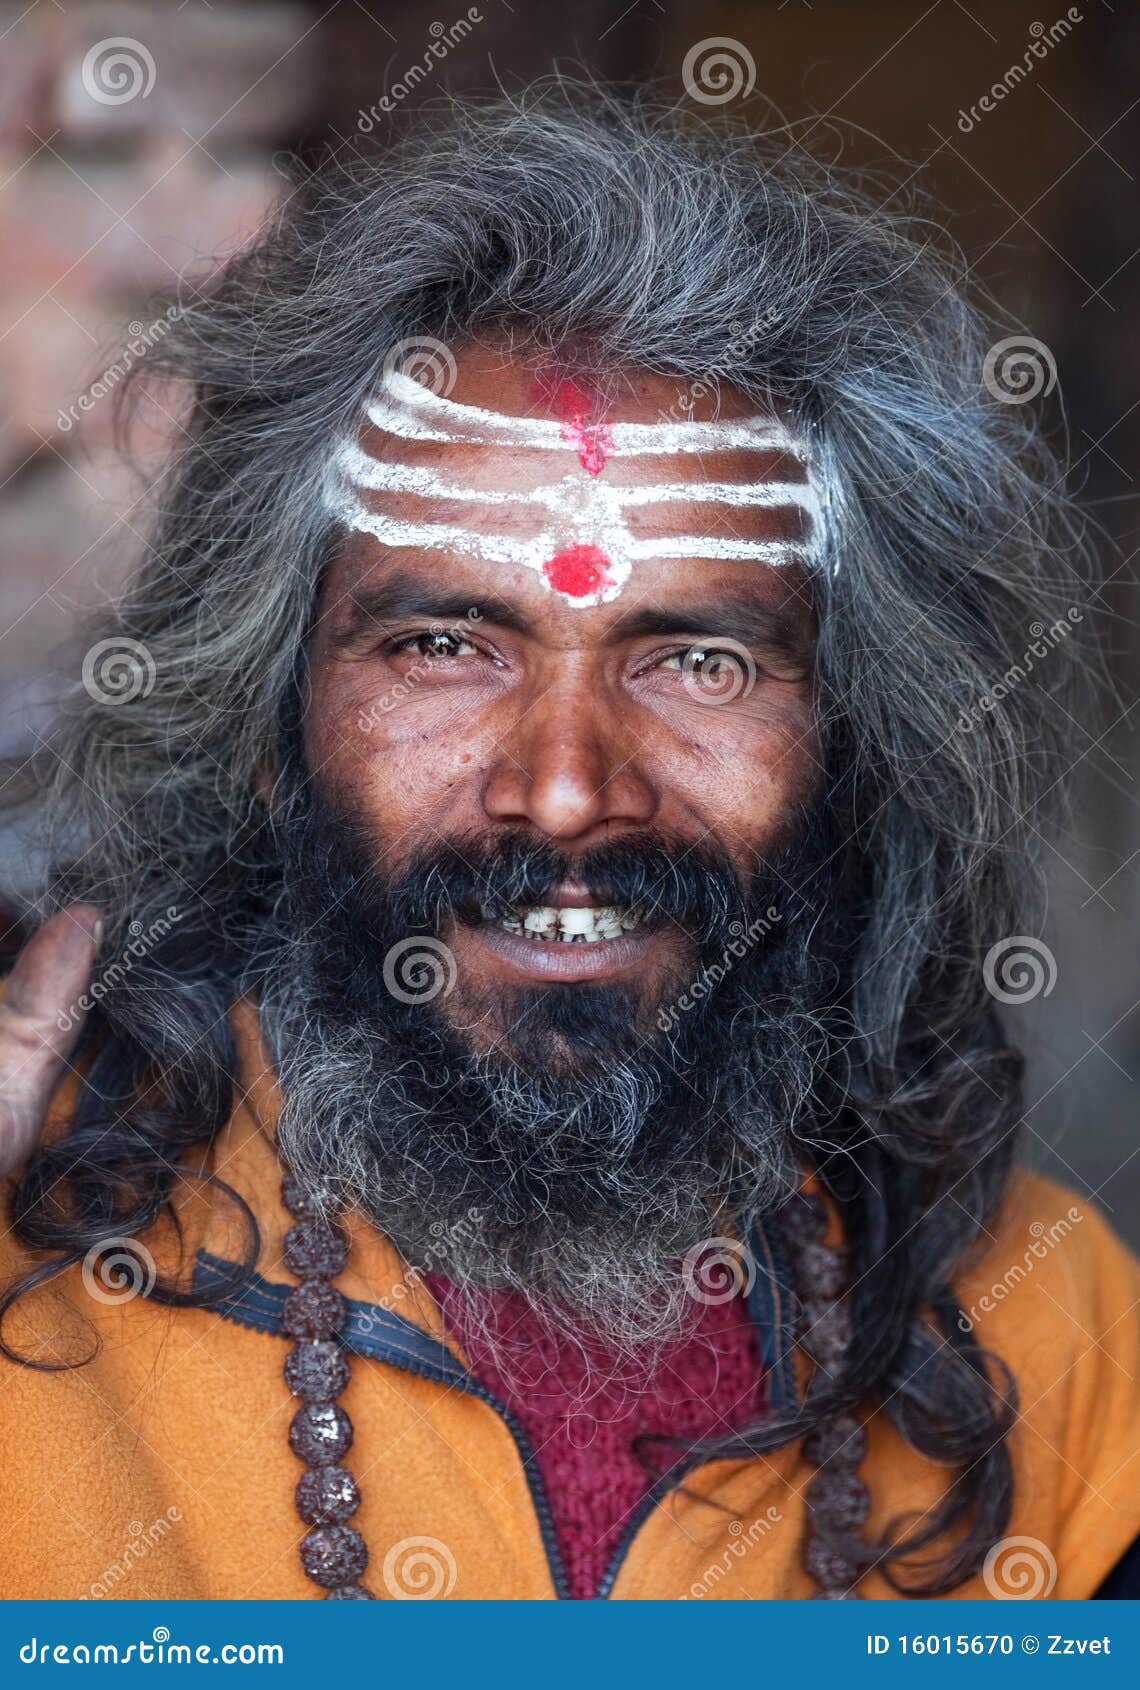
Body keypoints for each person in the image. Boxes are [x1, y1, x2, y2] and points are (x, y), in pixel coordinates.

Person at [1, 85, 1137, 1603]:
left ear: (863, 745)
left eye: (700, 661)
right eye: (446, 644)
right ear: (265, 729)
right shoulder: (40, 1268)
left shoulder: (1050, 1328)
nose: (563, 789)